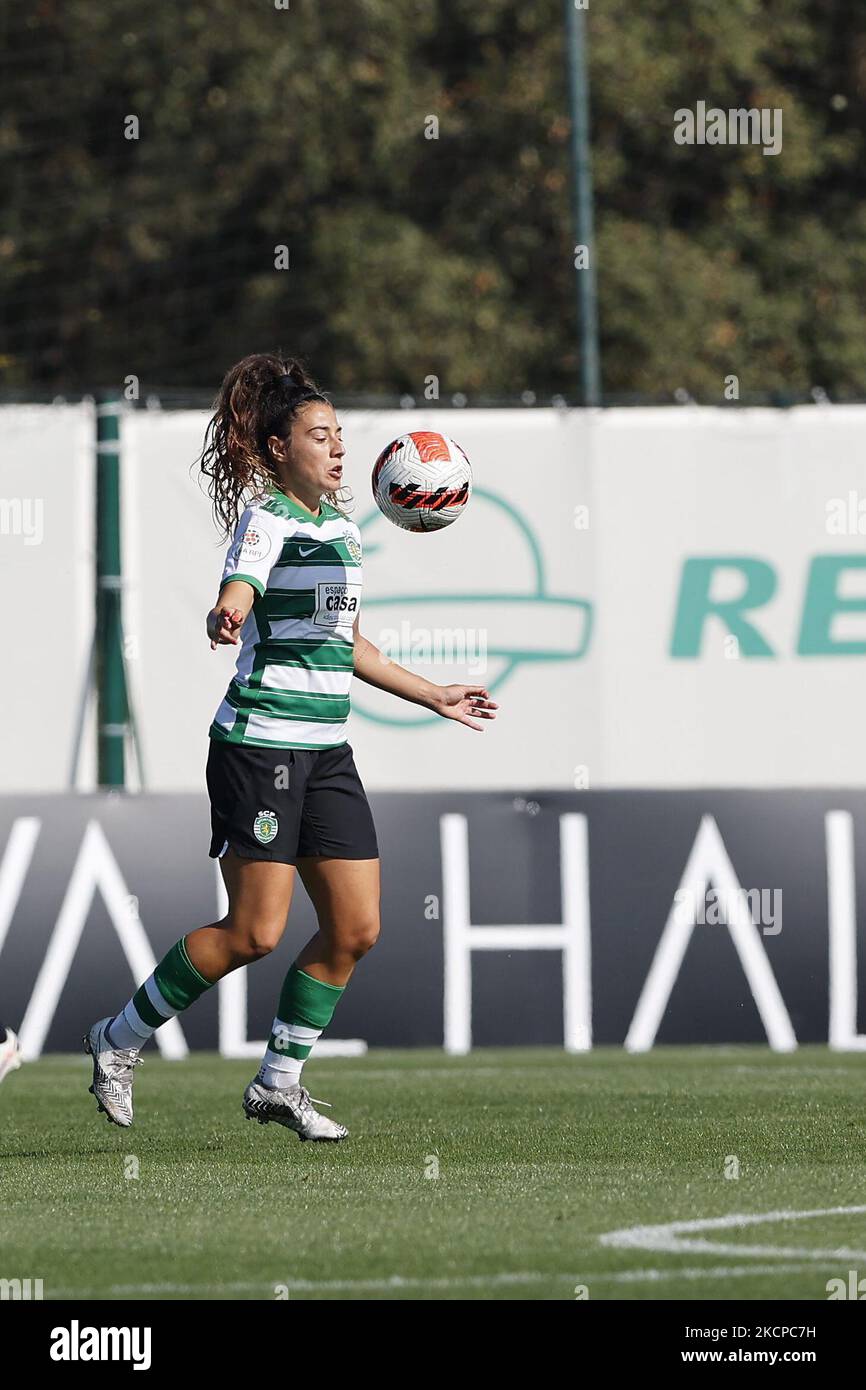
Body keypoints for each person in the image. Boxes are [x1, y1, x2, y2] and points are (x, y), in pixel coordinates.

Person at [84, 353, 497, 1142]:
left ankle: (278, 1082)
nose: (338, 447)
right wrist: (226, 613)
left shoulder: (343, 528)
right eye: (319, 434)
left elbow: (348, 647)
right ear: (277, 449)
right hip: (260, 747)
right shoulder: (267, 518)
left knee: (356, 928)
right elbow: (241, 584)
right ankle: (118, 1040)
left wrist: (435, 693)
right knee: (254, 933)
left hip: (327, 751)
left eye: (340, 434)